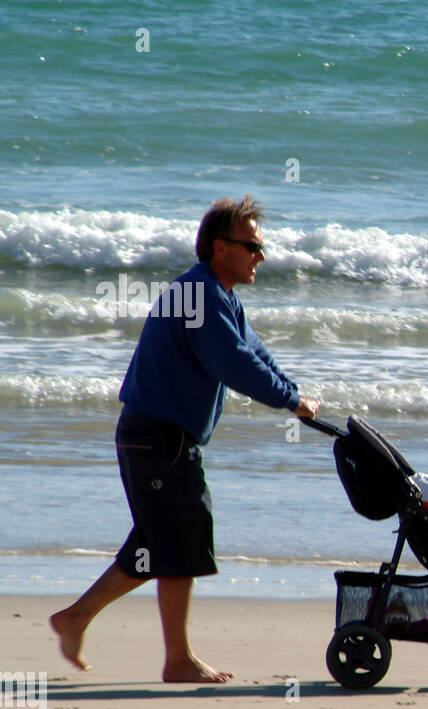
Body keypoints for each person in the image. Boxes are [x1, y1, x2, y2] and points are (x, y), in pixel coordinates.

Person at [50, 196, 321, 682]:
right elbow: (232, 365)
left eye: (262, 247)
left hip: (156, 437)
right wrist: (288, 401)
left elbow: (253, 352)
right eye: (253, 246)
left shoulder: (218, 296)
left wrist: (294, 395)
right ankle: (177, 660)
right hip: (159, 438)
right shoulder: (198, 296)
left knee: (158, 543)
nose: (261, 256)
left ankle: (76, 618)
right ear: (220, 247)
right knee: (180, 541)